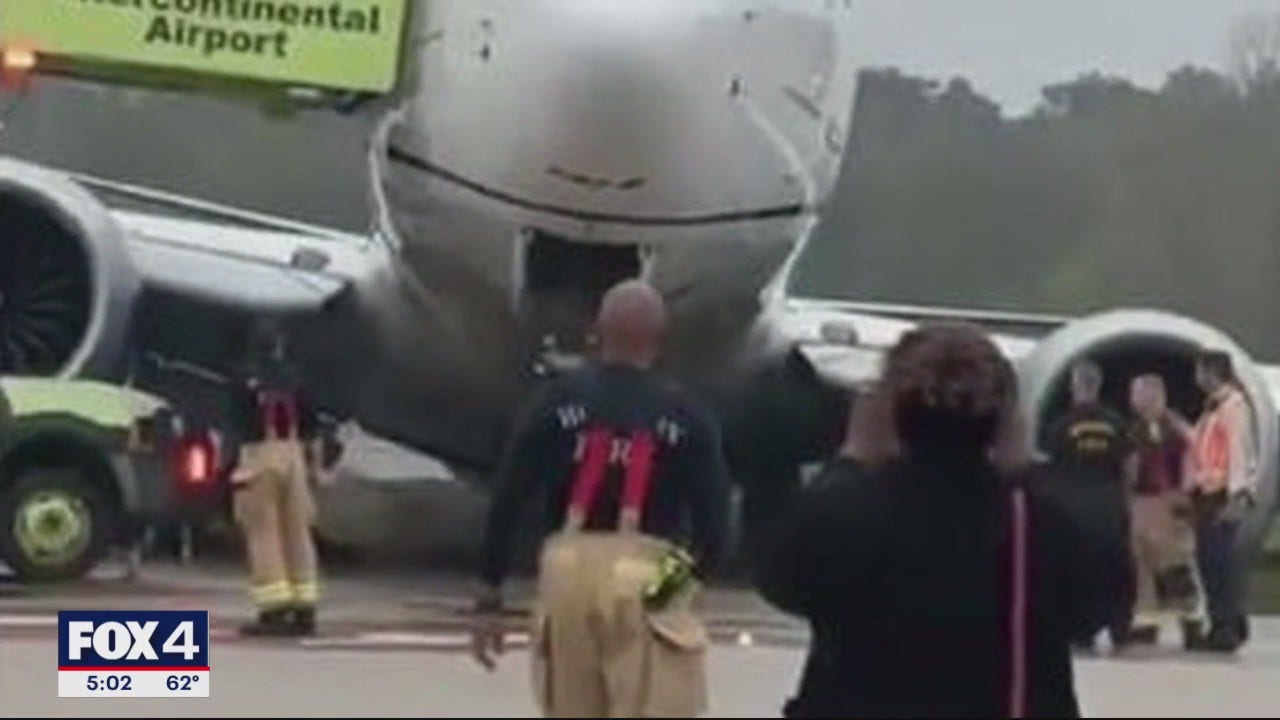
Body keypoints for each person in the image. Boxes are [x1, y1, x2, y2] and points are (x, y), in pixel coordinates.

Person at [757, 324, 1129, 719]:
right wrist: (1024, 472)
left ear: (887, 413)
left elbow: (780, 583)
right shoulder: (1036, 524)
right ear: (1006, 420)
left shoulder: (842, 512)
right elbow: (1099, 602)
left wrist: (850, 461)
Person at [472, 279, 733, 718]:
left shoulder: (553, 403)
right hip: (648, 572)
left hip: (566, 576)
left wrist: (489, 595)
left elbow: (508, 499)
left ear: (597, 330)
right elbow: (716, 529)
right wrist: (666, 594)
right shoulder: (687, 416)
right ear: (660, 337)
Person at [228, 319, 324, 637]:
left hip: (259, 454)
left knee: (263, 533)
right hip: (293, 454)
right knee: (298, 532)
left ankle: (274, 609)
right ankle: (305, 607)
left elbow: (235, 420)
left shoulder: (243, 377)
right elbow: (313, 422)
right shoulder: (296, 378)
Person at [1043, 359, 1135, 650]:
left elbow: (1052, 465)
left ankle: (1080, 629)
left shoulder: (1062, 424)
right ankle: (1119, 626)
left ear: (1074, 386)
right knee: (1116, 567)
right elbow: (1131, 463)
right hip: (1109, 505)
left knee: (1075, 569)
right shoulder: (1115, 422)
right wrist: (1123, 493)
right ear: (1098, 385)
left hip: (1072, 508)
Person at [1184, 349, 1257, 652]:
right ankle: (1229, 622)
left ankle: (1224, 627)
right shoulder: (1212, 409)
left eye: (1200, 371)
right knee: (1212, 562)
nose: (1196, 378)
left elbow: (1239, 450)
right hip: (1207, 494)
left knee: (1218, 563)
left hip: (1221, 495)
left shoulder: (1233, 406)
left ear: (1211, 372)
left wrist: (1238, 493)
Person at [1125, 374, 1203, 648]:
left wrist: (1184, 493)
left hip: (1167, 499)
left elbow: (1192, 458)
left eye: (1137, 393)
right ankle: (1146, 622)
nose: (1133, 400)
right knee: (1142, 564)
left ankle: (1191, 620)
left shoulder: (1175, 428)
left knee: (1175, 564)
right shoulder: (1136, 429)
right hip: (1141, 501)